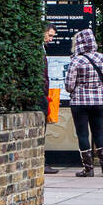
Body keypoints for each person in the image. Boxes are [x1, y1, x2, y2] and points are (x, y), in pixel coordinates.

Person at [63, 28, 103, 177]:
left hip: (79, 102)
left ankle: (88, 168)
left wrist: (79, 88)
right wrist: (98, 87)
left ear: (79, 43)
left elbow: (69, 85)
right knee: (98, 132)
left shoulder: (76, 60)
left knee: (83, 134)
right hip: (99, 100)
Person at [42, 24, 59, 174]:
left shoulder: (42, 49)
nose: (51, 39)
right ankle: (42, 163)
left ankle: (43, 162)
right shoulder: (38, 50)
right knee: (41, 130)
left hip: (44, 95)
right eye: (50, 35)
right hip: (40, 96)